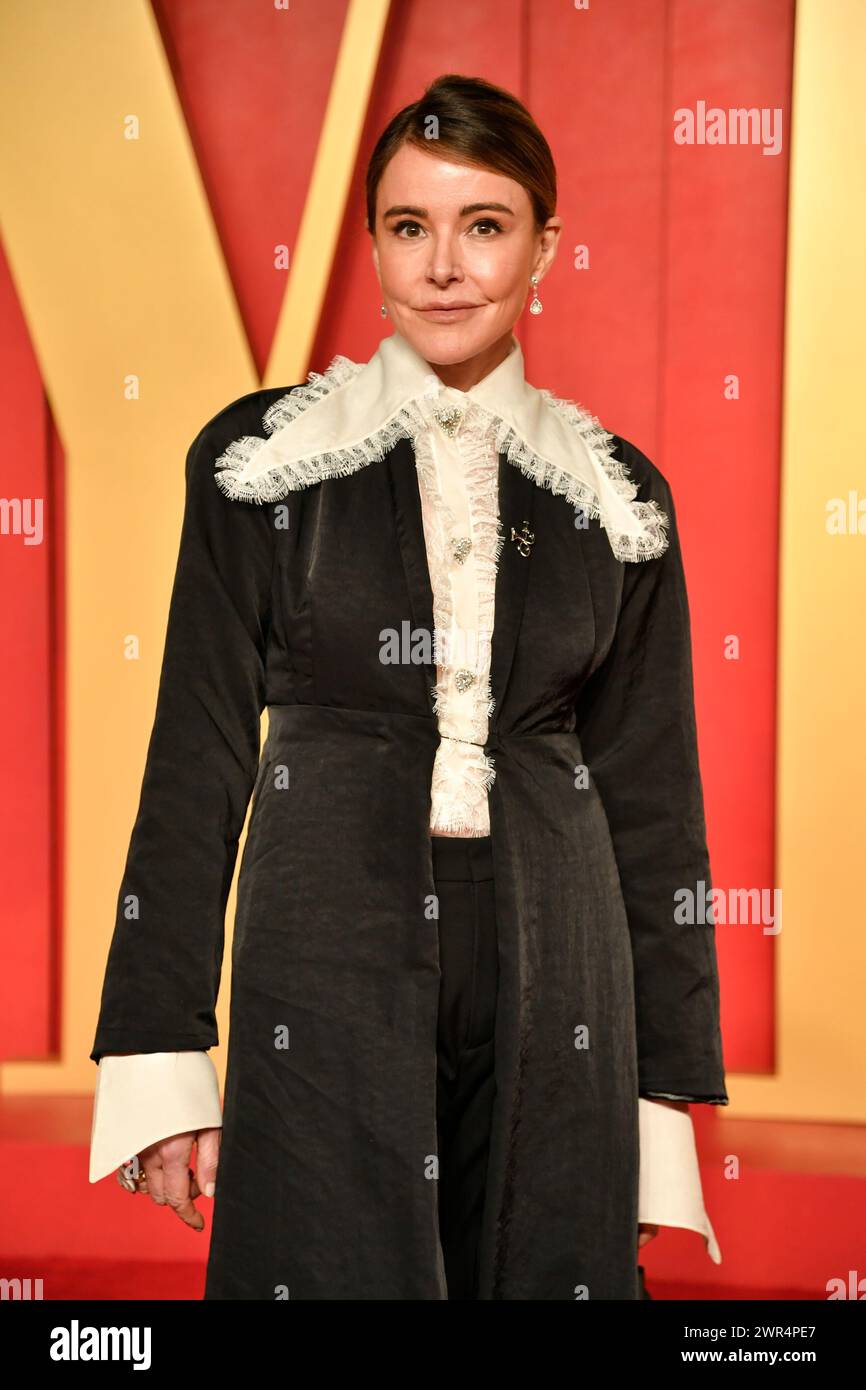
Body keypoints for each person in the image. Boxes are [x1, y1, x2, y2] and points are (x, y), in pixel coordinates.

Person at [89, 73, 727, 1300]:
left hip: (561, 969)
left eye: (484, 225)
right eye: (408, 226)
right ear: (371, 243)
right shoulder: (262, 460)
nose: (444, 265)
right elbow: (196, 757)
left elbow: (655, 806)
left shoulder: (617, 494)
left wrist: (659, 1109)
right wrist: (163, 1053)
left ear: (546, 244)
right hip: (319, 961)